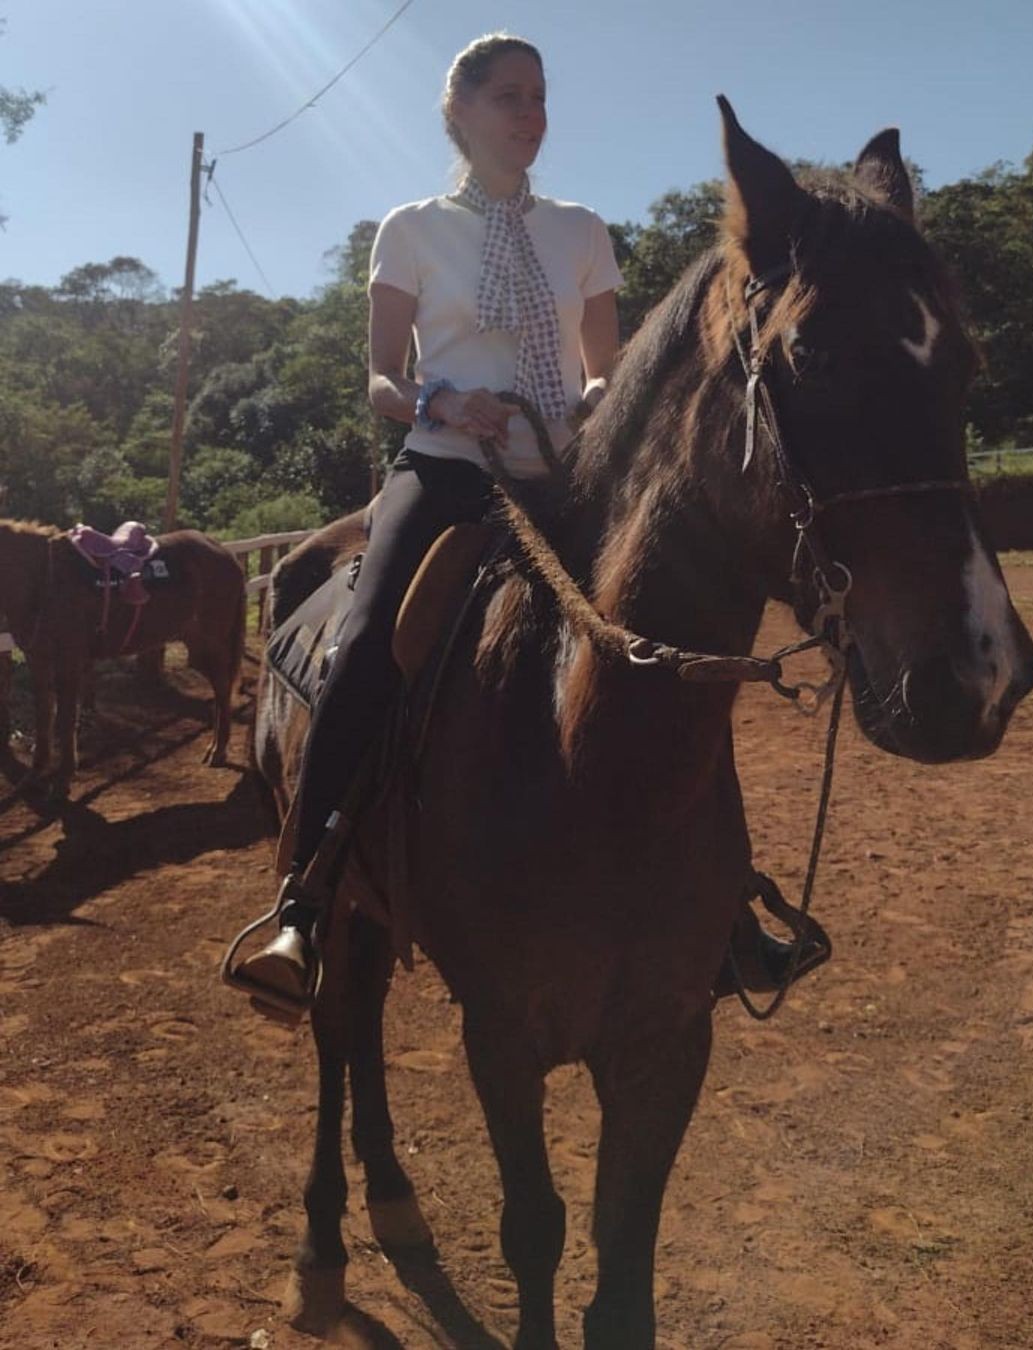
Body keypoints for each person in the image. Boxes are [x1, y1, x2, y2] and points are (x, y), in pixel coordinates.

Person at [233, 33, 624, 1015]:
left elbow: (604, 369)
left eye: (540, 96)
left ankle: (724, 903)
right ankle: (305, 902)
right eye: (508, 97)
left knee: (662, 624)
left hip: (558, 477)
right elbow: (379, 381)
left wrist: (592, 405)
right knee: (366, 640)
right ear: (458, 113)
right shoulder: (410, 229)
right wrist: (442, 405)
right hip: (446, 469)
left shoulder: (581, 230)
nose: (530, 114)